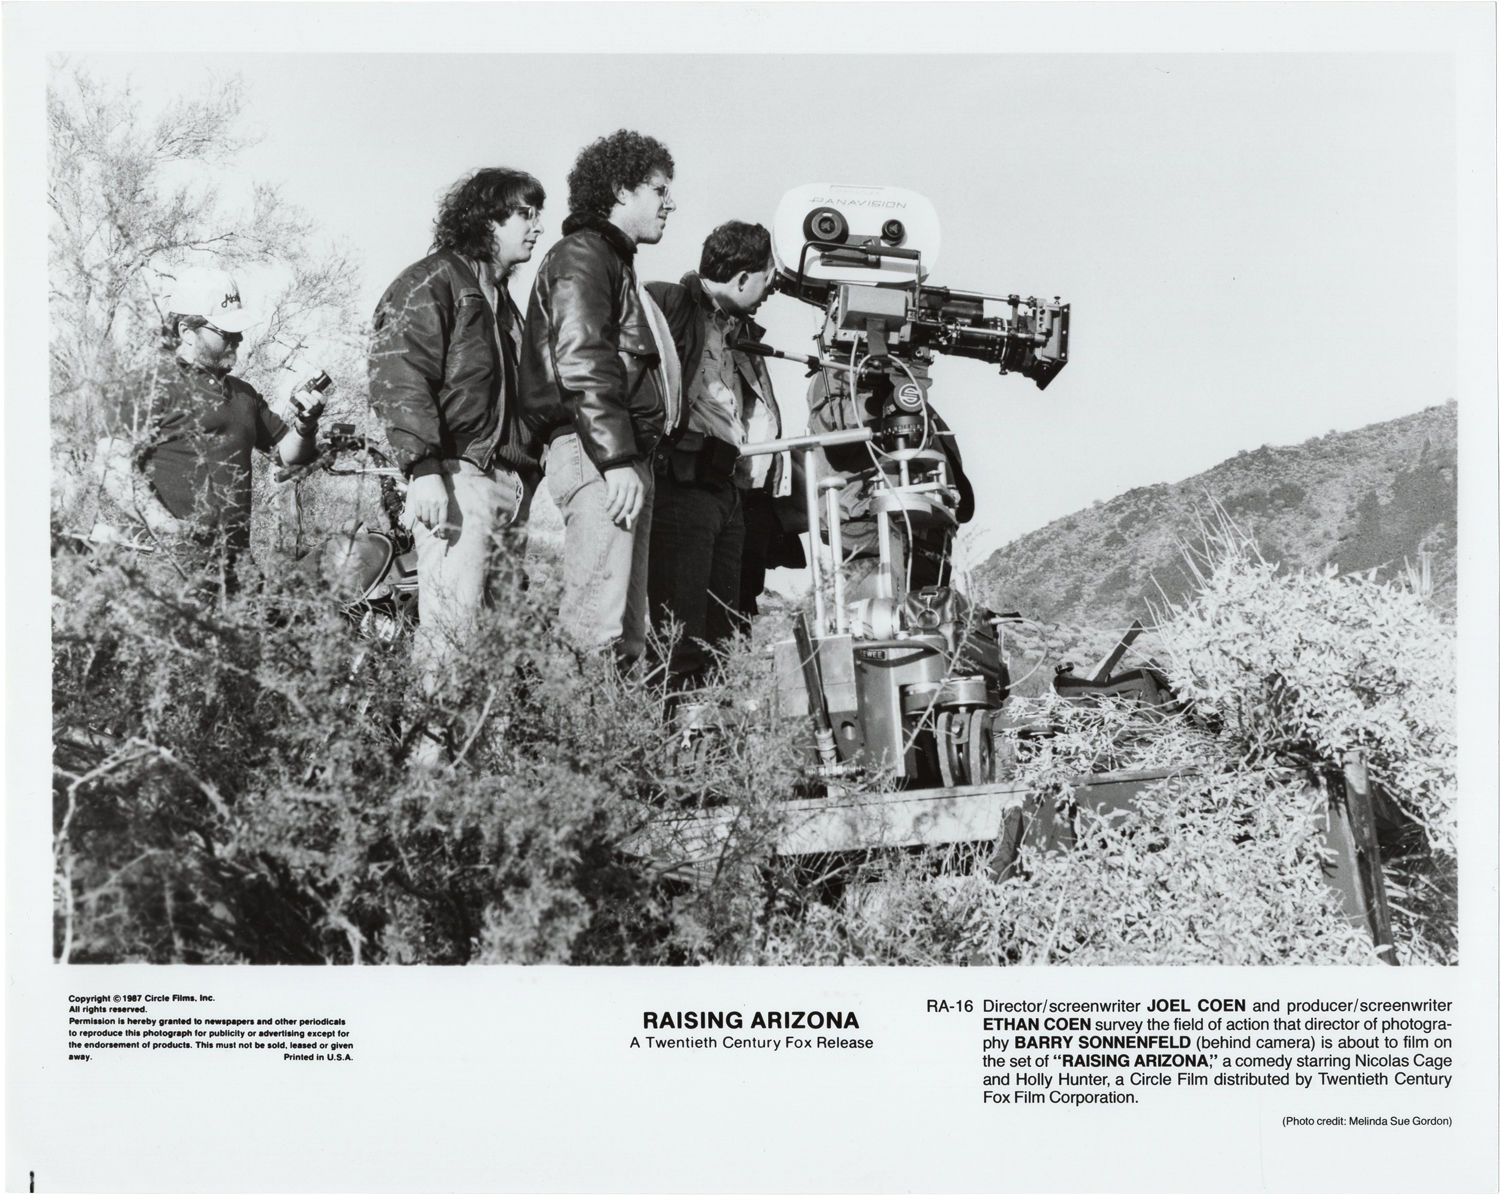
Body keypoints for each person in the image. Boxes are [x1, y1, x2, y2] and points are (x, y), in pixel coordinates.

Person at [368, 167, 548, 717]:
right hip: (457, 482)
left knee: (496, 649)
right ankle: (432, 787)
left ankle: (482, 788)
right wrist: (422, 467)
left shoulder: (502, 302)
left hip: (507, 490)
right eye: (525, 213)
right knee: (450, 641)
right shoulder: (433, 280)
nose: (538, 226)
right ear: (487, 218)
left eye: (539, 213)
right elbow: (397, 372)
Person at [518, 130, 680, 667]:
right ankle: (571, 750)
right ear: (620, 189)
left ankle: (605, 749)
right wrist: (616, 458)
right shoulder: (584, 255)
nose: (670, 203)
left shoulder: (610, 261)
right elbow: (582, 359)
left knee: (626, 637)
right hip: (597, 454)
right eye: (659, 190)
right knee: (595, 629)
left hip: (615, 455)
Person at [93, 266, 321, 600]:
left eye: (238, 330)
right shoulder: (150, 385)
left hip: (235, 564)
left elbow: (289, 454)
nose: (239, 339)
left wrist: (306, 424)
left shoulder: (244, 394)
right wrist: (169, 528)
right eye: (226, 332)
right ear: (187, 331)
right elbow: (109, 467)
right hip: (168, 564)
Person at [644, 220, 802, 687]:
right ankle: (671, 740)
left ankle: (714, 745)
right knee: (681, 631)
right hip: (683, 484)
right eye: (768, 278)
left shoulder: (740, 332)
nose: (772, 289)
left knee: (726, 635)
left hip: (729, 490)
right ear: (740, 278)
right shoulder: (667, 304)